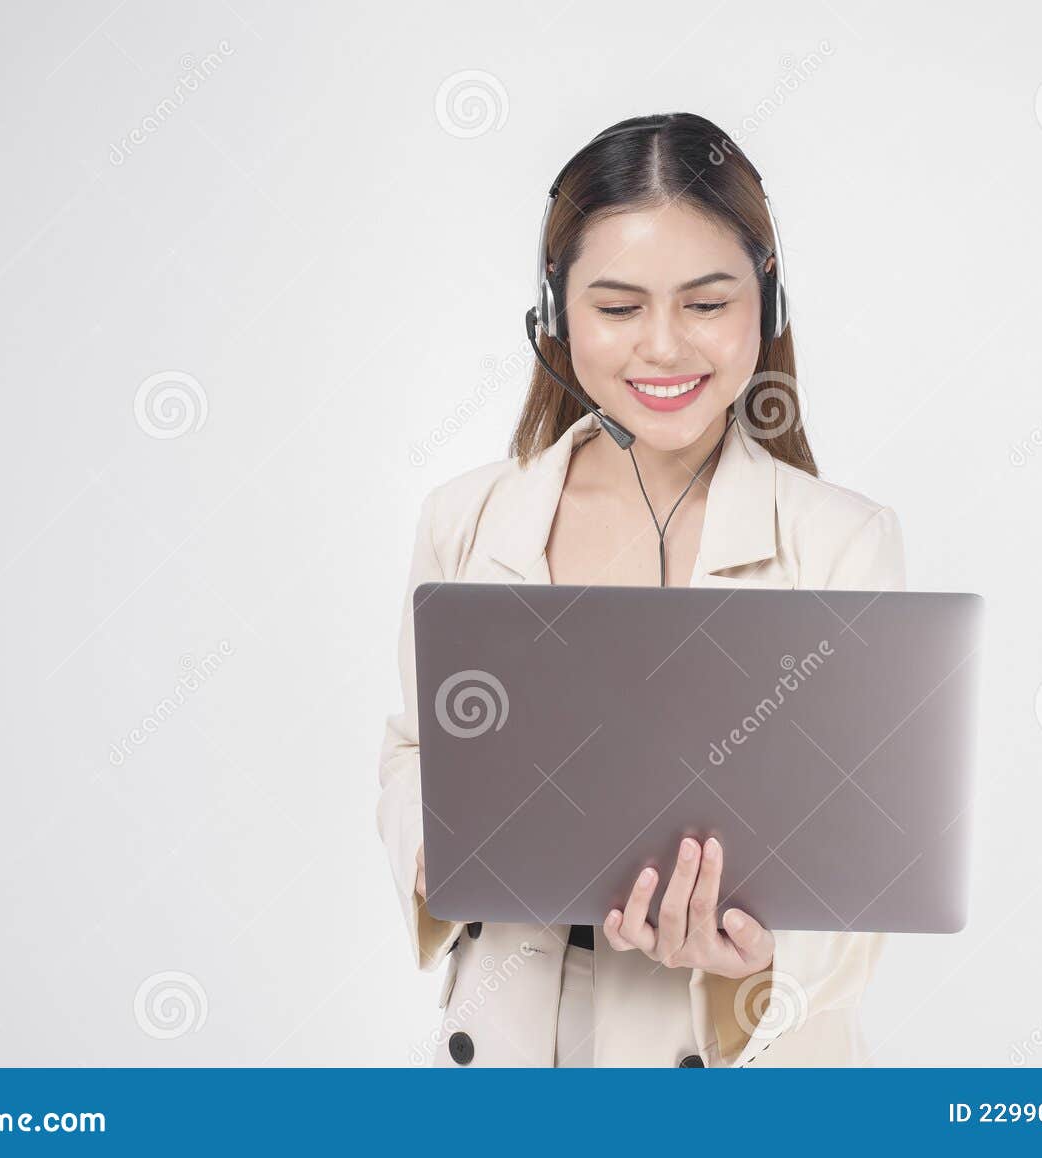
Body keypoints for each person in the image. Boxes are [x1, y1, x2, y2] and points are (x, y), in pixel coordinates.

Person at [377, 112, 905, 1067]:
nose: (663, 348)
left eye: (707, 303)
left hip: (726, 1052)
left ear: (768, 306)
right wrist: (435, 849)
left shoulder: (840, 544)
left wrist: (756, 960)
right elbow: (416, 744)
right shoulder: (466, 519)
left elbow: (865, 858)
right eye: (617, 308)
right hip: (509, 1029)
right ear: (553, 315)